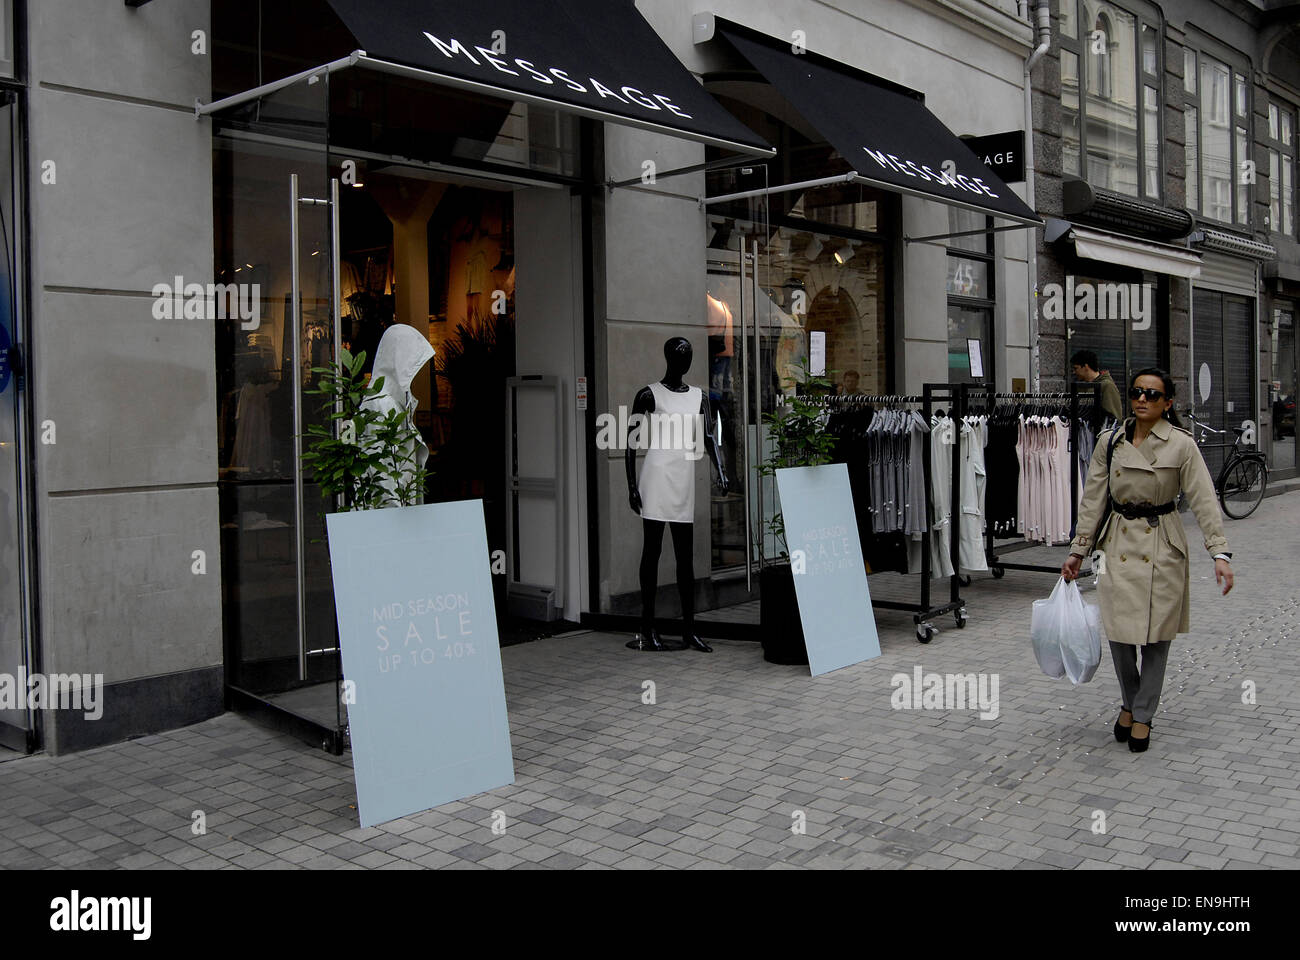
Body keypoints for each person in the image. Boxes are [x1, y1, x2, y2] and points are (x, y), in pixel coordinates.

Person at [1061, 369, 1234, 753]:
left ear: (1167, 403)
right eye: (1137, 392)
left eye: (1153, 395)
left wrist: (1218, 552)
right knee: (1120, 636)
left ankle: (1140, 714)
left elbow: (1204, 499)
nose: (1142, 399)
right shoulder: (1110, 441)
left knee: (1156, 640)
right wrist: (1078, 549)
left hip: (1163, 544)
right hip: (1117, 542)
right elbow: (1093, 500)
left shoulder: (1181, 445)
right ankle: (1130, 702)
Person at [1070, 349, 1124, 425]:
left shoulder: (1107, 385)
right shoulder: (1082, 386)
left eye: (1076, 368)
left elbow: (1114, 417)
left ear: (1086, 366)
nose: (1074, 372)